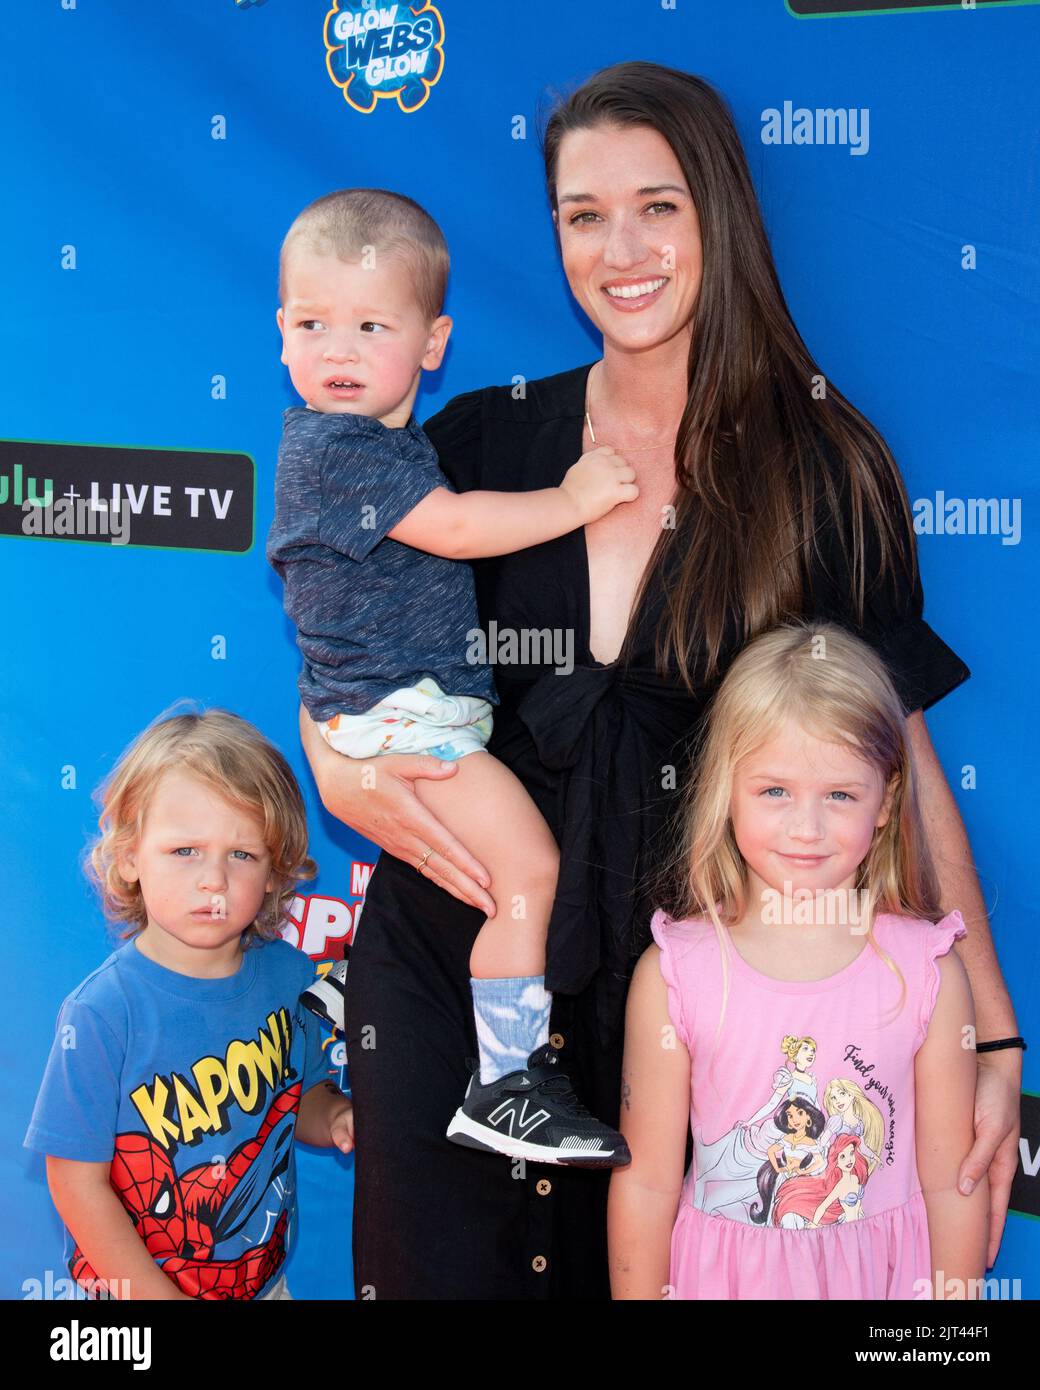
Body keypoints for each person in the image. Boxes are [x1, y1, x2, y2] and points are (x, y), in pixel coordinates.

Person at [296, 63, 1021, 1299]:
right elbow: (339, 656)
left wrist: (989, 1031)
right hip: (459, 986)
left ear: (718, 212)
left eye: (657, 206)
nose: (618, 249)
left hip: (687, 1023)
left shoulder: (824, 470)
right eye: (582, 214)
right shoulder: (475, 441)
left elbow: (894, 760)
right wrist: (331, 760)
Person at [267, 188, 636, 1166]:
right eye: (312, 324)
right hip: (400, 726)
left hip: (400, 719)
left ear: (433, 342)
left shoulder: (378, 444)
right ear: (280, 335)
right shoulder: (340, 451)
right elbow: (462, 527)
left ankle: (345, 988)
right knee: (529, 875)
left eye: (369, 325)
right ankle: (505, 1079)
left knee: (494, 875)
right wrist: (573, 495)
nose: (337, 351)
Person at [609, 621, 989, 1299]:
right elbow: (646, 1181)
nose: (806, 828)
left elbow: (949, 1185)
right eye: (774, 791)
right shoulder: (676, 975)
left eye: (840, 794)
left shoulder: (928, 969)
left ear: (886, 799)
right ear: (726, 788)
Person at [23, 709, 355, 1300]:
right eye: (184, 851)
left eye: (242, 855)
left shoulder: (288, 975)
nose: (214, 880)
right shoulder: (103, 1013)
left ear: (277, 874)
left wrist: (332, 1118)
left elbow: (295, 1095)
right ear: (129, 856)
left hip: (261, 1285)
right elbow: (75, 1184)